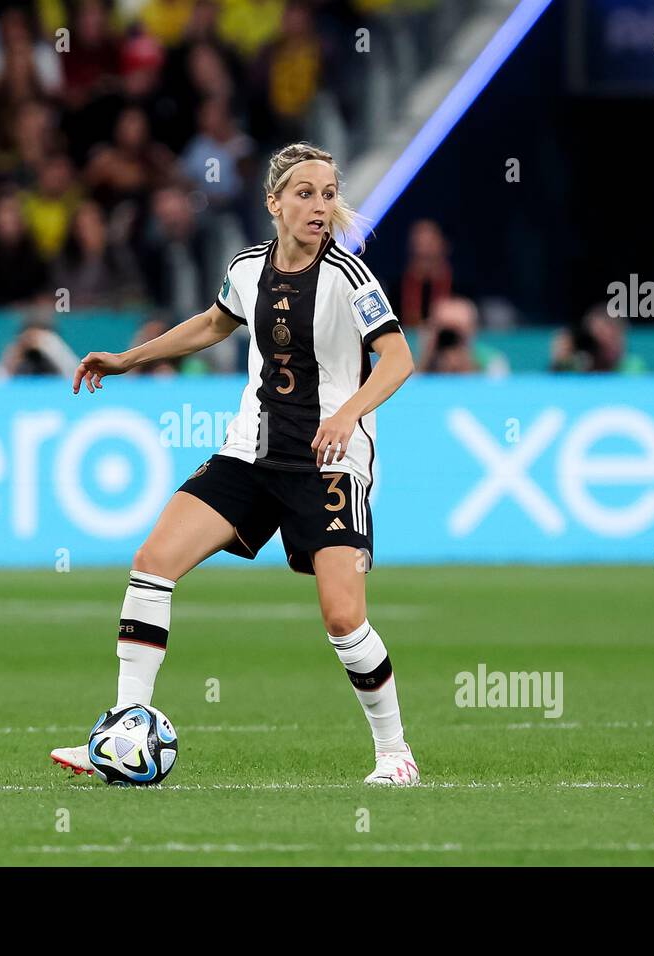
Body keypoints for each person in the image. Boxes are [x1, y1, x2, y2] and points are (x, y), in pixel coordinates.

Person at [49, 142, 420, 786]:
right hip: (249, 452)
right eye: (305, 193)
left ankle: (395, 753)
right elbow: (212, 325)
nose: (320, 206)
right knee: (153, 562)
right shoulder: (247, 268)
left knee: (341, 616)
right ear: (274, 203)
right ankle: (124, 727)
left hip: (328, 464)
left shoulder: (350, 279)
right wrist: (127, 358)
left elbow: (398, 360)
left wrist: (347, 414)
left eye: (328, 194)